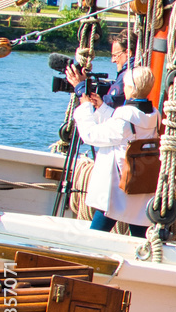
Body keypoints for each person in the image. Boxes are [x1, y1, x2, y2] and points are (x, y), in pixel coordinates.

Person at [73, 66, 160, 237]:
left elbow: (91, 135)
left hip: (117, 187)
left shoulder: (125, 118)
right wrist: (102, 108)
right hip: (139, 183)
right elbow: (125, 130)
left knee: (98, 232)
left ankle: (88, 255)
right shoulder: (153, 115)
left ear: (131, 88)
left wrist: (85, 108)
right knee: (139, 231)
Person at [66, 31, 134, 109]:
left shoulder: (128, 76)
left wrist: (79, 86)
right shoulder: (135, 70)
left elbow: (108, 105)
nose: (113, 60)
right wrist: (92, 86)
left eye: (115, 56)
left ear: (128, 53)